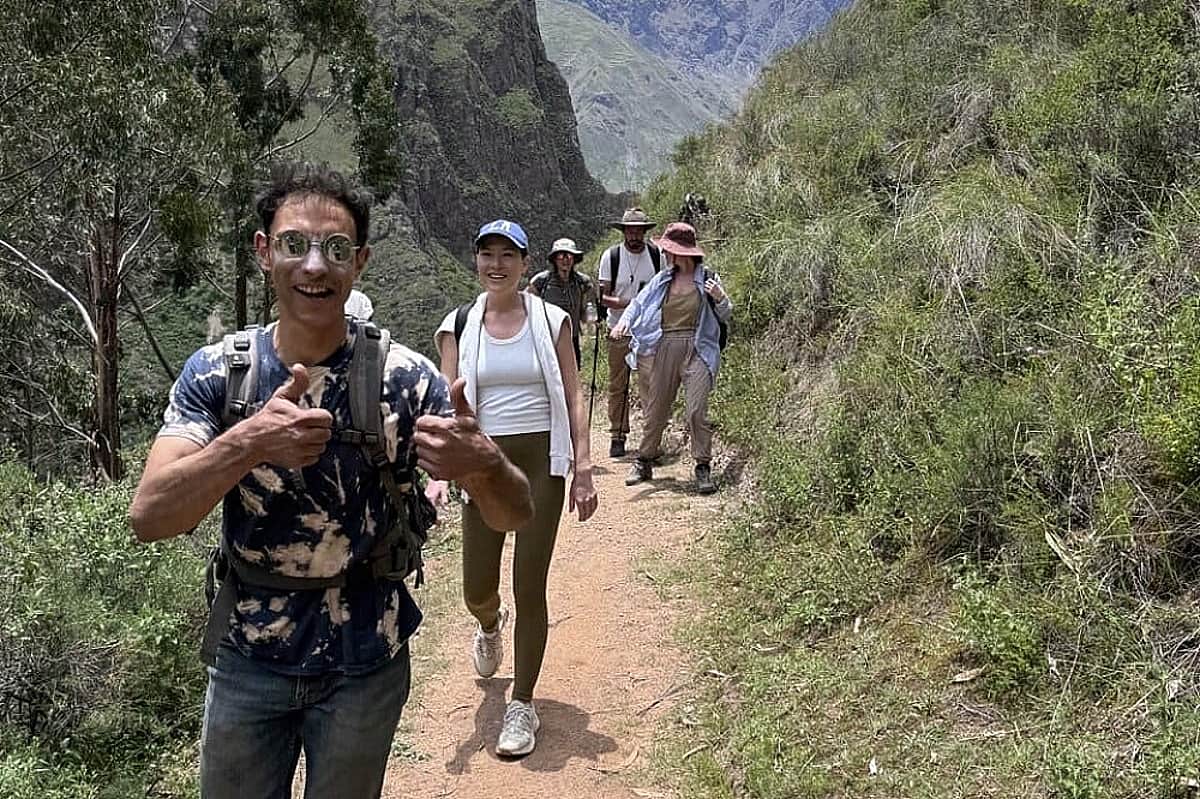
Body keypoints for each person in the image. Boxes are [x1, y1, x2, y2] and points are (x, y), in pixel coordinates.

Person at [128, 163, 533, 799]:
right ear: (264, 252)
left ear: (360, 262)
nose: (314, 265)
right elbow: (150, 515)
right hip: (248, 659)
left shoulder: (408, 382)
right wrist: (250, 439)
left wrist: (484, 463)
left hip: (364, 663)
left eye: (335, 249)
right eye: (294, 244)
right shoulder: (219, 375)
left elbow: (515, 513)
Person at [429, 219, 599, 757]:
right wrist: (440, 473)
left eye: (508, 254)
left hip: (540, 464)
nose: (496, 264)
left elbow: (573, 393)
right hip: (484, 465)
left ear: (526, 264)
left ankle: (522, 703)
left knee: (531, 585)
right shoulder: (458, 324)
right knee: (475, 586)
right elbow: (444, 405)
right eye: (487, 254)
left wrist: (584, 464)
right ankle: (488, 623)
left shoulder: (551, 321)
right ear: (475, 262)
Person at [610, 221, 731, 495]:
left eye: (669, 249)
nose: (665, 254)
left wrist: (720, 298)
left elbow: (725, 314)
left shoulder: (709, 278)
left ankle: (702, 466)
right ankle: (644, 459)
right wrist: (623, 324)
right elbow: (639, 303)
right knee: (656, 408)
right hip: (665, 345)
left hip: (698, 348)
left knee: (696, 409)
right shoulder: (663, 279)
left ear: (683, 253)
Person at [596, 207, 661, 458]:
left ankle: (650, 437)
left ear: (644, 231)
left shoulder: (657, 256)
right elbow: (603, 296)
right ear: (624, 231)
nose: (634, 234)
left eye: (638, 230)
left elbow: (663, 287)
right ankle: (618, 434)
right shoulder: (611, 257)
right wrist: (631, 304)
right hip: (618, 328)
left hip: (649, 332)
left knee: (651, 384)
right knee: (618, 383)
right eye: (630, 229)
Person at [526, 237, 600, 367]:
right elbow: (526, 304)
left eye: (569, 255)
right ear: (555, 259)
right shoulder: (541, 281)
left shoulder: (582, 282)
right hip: (547, 339)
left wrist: (592, 321)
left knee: (572, 375)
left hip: (572, 338)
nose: (565, 260)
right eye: (561, 255)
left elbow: (587, 309)